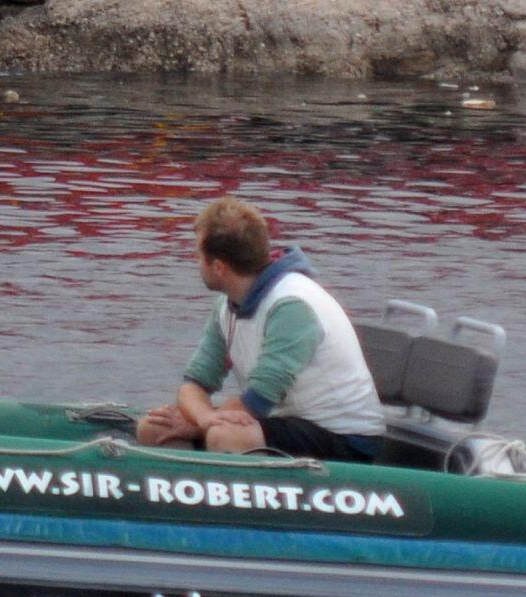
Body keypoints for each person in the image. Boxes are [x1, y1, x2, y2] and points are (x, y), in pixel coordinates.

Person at [135, 196, 384, 461]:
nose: (196, 262)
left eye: (198, 255)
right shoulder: (227, 305)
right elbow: (193, 385)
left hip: (343, 437)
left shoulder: (292, 306)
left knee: (225, 437)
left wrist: (198, 425)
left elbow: (256, 403)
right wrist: (205, 417)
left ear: (219, 267)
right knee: (153, 428)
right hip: (284, 422)